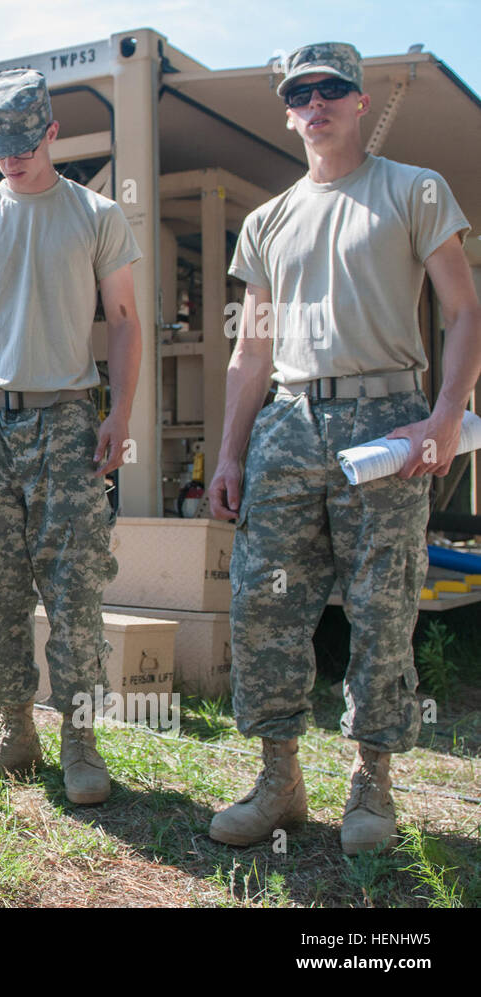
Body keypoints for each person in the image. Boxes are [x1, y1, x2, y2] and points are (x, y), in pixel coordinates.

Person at [206, 43, 480, 854]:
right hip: (287, 424)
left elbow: (464, 313)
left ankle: (372, 783)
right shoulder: (266, 221)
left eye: (332, 89)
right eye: (301, 93)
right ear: (289, 110)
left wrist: (443, 417)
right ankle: (279, 780)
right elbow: (251, 350)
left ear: (360, 101)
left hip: (385, 420)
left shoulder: (413, 190)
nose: (316, 103)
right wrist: (229, 454)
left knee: (382, 608)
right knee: (265, 607)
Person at [0, 69, 142, 800]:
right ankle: (15, 735)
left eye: (22, 143)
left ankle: (81, 743)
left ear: (52, 132)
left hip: (70, 416)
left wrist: (119, 413)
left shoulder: (97, 215)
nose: (10, 158)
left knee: (76, 587)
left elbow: (125, 322)